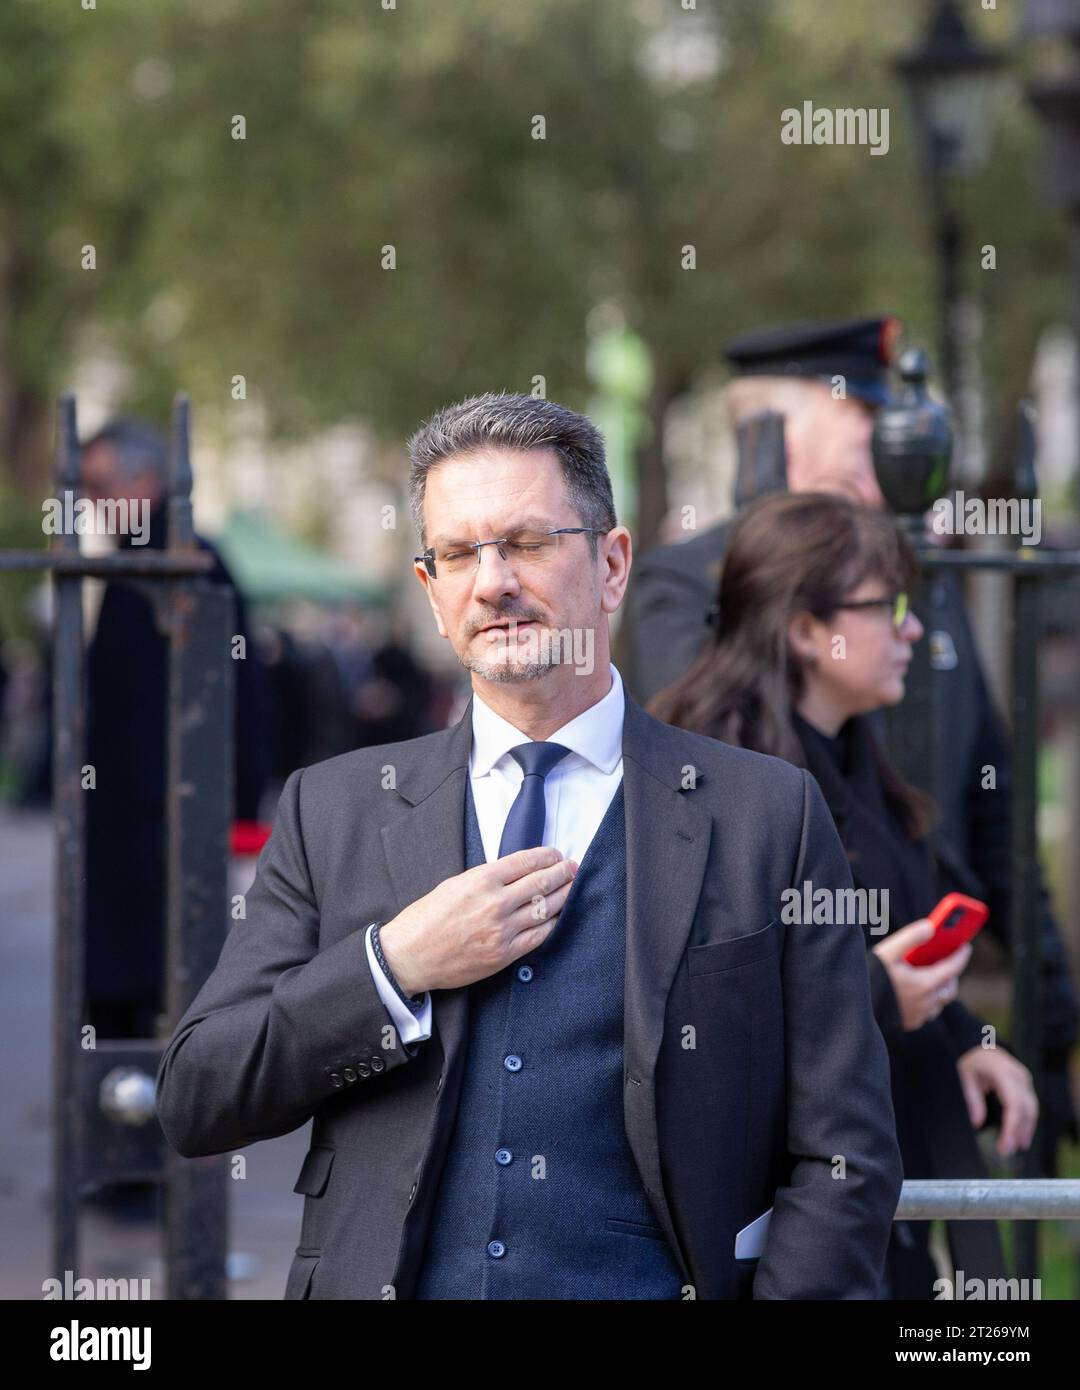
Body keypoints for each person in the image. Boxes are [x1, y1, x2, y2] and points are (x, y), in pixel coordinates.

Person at [156, 392, 903, 1300]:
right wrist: (392, 968)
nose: (494, 581)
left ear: (614, 565)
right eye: (460, 553)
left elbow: (844, 1155)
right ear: (432, 595)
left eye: (529, 542)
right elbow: (199, 1095)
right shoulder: (335, 809)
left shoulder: (765, 813)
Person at [623, 316, 1078, 1173]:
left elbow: (994, 818)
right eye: (866, 418)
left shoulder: (922, 580)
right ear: (779, 429)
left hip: (923, 995)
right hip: (799, 1036)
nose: (901, 437)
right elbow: (717, 811)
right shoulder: (692, 578)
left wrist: (1050, 1023)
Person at [648, 491, 1040, 1297]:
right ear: (803, 630)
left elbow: (897, 925)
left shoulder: (855, 747)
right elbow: (691, 1004)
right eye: (888, 605)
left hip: (877, 1182)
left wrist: (966, 1036)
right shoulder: (707, 778)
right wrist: (879, 990)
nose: (913, 630)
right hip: (779, 1218)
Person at [82, 418, 270, 1043]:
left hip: (173, 813)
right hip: (127, 815)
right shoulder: (136, 561)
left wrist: (238, 800)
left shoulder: (188, 559)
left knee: (170, 983)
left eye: (102, 486)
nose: (93, 504)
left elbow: (240, 687)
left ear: (148, 479)